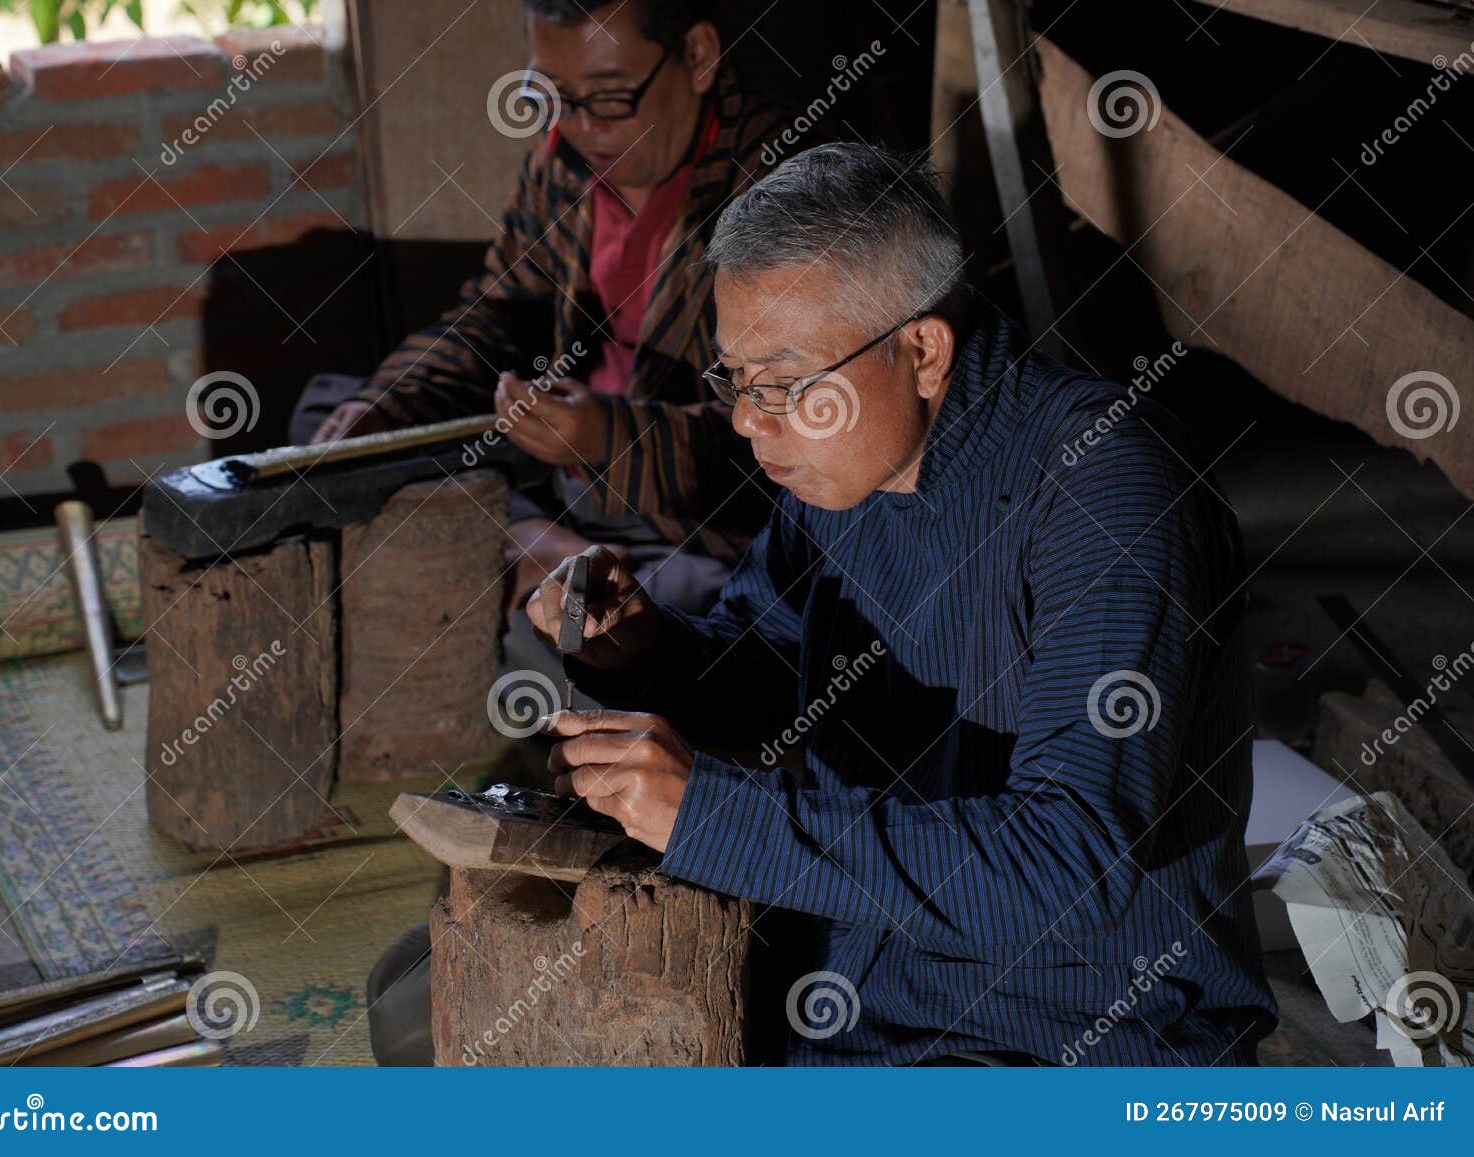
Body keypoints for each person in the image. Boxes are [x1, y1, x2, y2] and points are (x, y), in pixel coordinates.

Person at [526, 142, 1279, 1065]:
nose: (749, 420)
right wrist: (644, 650)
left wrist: (714, 819)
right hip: (857, 983)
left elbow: (1069, 862)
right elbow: (771, 675)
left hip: (1062, 1036)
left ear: (922, 351)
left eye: (784, 384)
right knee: (446, 996)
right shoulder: (842, 469)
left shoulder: (1109, 489)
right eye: (737, 380)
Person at [295, 0, 796, 638]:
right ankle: (548, 547)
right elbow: (498, 313)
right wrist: (387, 403)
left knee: (706, 602)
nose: (581, 129)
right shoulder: (562, 165)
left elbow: (790, 434)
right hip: (556, 474)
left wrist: (610, 438)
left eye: (609, 98)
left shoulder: (777, 186)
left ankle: (554, 558)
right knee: (328, 418)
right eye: (556, 95)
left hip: (689, 516)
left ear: (697, 56)